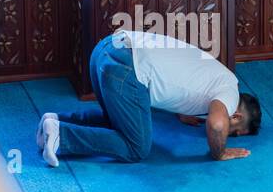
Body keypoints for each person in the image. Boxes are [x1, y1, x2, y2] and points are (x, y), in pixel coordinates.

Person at [36, 29, 261, 166]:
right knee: (137, 147)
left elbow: (186, 74)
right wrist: (219, 152)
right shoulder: (230, 92)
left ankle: (56, 121)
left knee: (123, 122)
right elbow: (217, 124)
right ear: (237, 116)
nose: (233, 135)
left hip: (105, 49)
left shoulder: (219, 74)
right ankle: (62, 135)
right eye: (237, 133)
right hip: (126, 70)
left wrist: (184, 111)